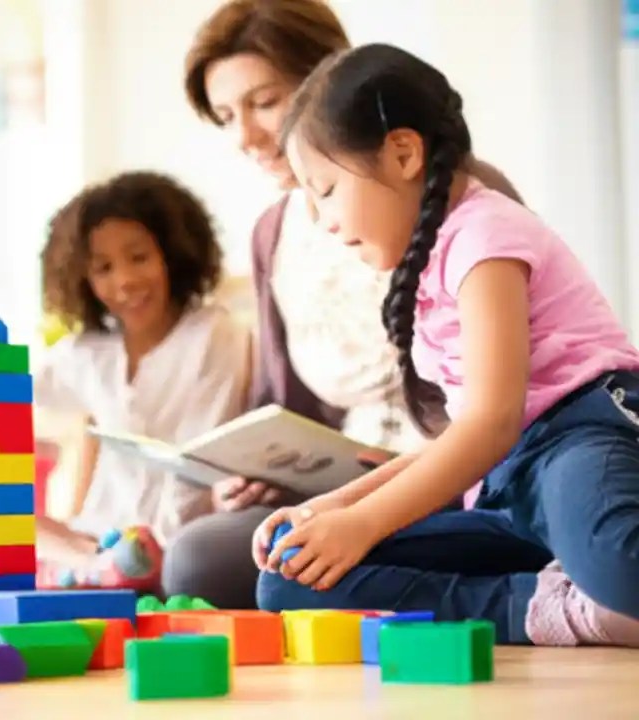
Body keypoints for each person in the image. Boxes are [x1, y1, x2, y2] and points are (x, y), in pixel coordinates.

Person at [255, 42, 639, 648]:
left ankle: (596, 594)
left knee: (624, 565)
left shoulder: (487, 233)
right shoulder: (429, 260)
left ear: (403, 152)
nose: (320, 217)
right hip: (506, 481)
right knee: (290, 582)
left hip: (577, 437)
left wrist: (362, 521)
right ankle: (552, 606)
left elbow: (491, 424)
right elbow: (464, 443)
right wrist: (333, 508)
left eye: (325, 189)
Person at [163, 0, 520, 606]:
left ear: (327, 79)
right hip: (349, 488)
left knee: (222, 566)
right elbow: (283, 406)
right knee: (200, 556)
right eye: (225, 115)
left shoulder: (447, 190)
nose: (244, 137)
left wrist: (388, 477)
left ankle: (520, 587)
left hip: (461, 472)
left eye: (264, 102)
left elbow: (508, 395)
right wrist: (254, 476)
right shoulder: (272, 232)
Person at [34, 171, 253, 591]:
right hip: (97, 542)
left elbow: (197, 462)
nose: (125, 281)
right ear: (83, 278)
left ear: (171, 254)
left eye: (139, 258)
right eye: (103, 268)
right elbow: (8, 389)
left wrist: (160, 552)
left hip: (176, 547)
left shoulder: (212, 334)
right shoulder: (88, 351)